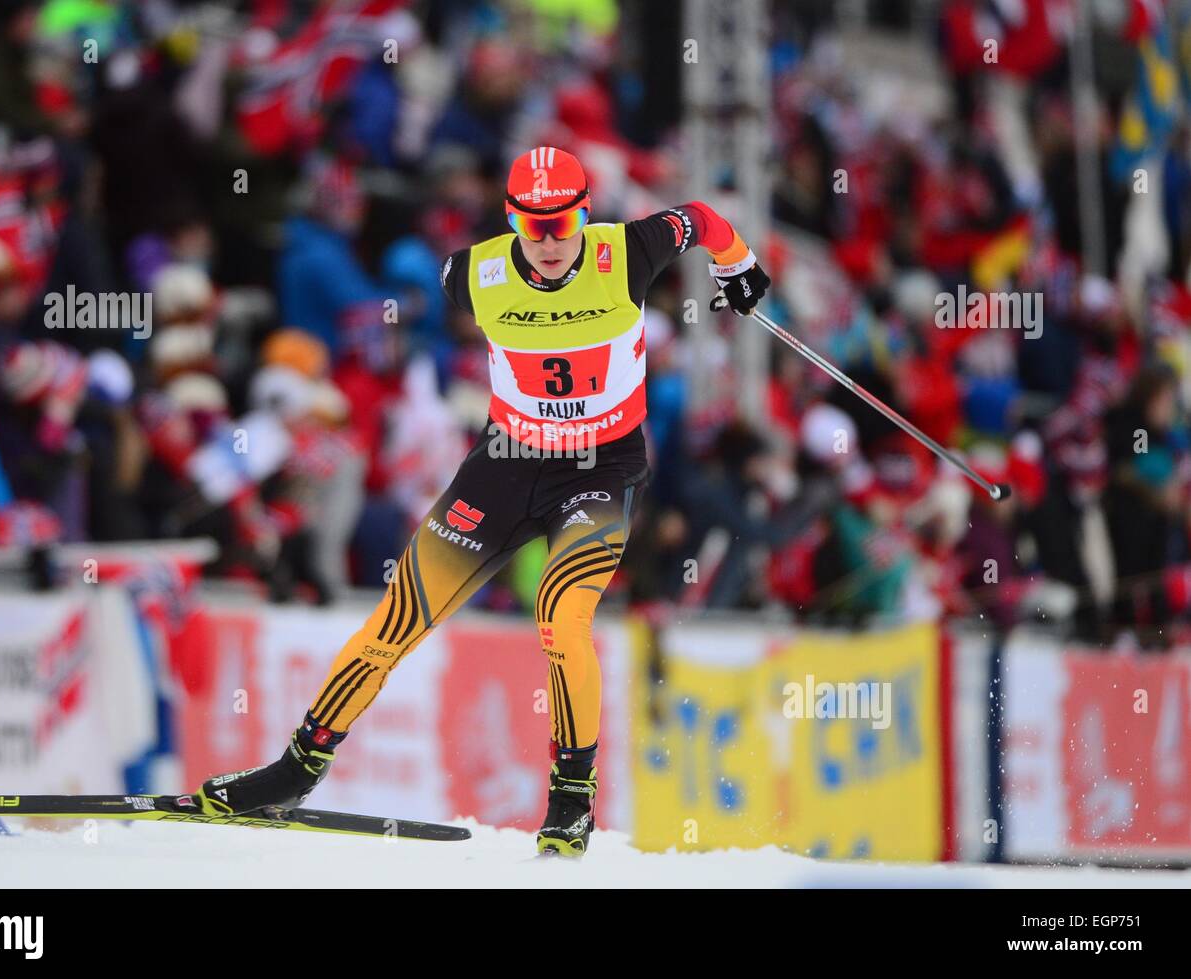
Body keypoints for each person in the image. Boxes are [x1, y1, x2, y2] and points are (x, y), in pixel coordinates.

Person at [193, 147, 770, 856]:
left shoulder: (629, 250)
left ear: (584, 214)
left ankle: (570, 799)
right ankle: (295, 768)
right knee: (395, 621)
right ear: (512, 221)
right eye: (535, 228)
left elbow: (706, 218)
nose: (552, 242)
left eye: (563, 225)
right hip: (505, 465)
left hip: (600, 469)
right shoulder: (473, 274)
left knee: (562, 620)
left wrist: (736, 266)